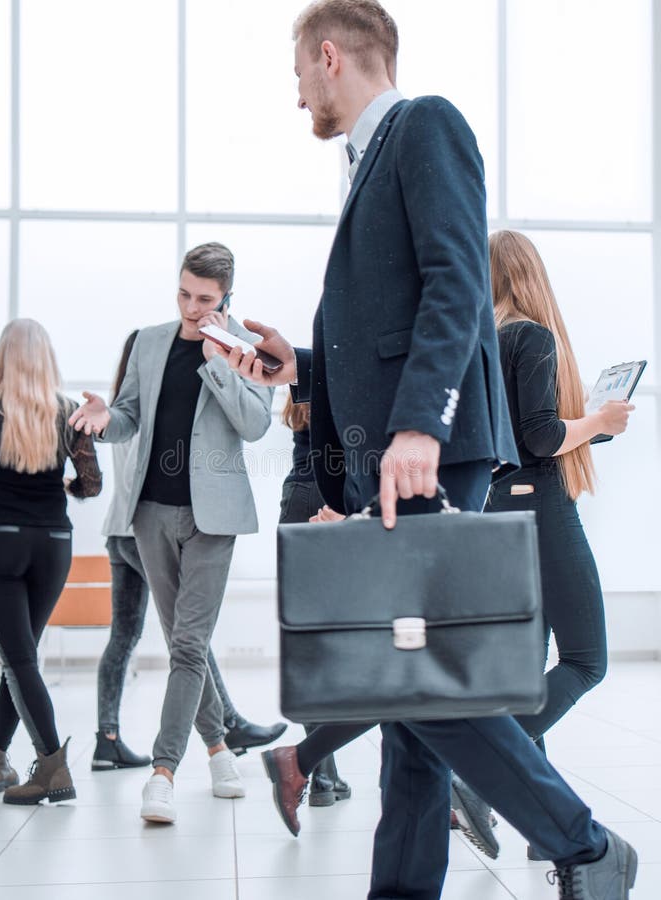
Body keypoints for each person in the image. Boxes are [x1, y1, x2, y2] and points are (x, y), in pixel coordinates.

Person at [215, 2, 638, 897]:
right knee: (412, 700)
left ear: (329, 56)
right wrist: (301, 368)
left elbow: (457, 278)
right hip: (401, 451)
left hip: (425, 453)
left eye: (299, 75)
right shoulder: (370, 164)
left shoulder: (425, 126)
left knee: (423, 688)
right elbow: (386, 329)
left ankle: (586, 845)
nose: (298, 97)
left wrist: (420, 425)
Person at [69, 242, 274, 825]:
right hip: (151, 514)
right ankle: (219, 752)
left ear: (226, 298)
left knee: (186, 646)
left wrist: (218, 358)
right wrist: (106, 419)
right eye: (184, 293)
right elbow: (130, 416)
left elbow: (256, 425)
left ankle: (162, 774)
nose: (190, 306)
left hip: (216, 518)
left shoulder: (246, 349)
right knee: (187, 644)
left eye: (204, 298)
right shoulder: (150, 341)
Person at [471, 229, 632, 858]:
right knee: (586, 660)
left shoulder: (482, 341)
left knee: (521, 677)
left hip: (496, 511)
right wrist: (597, 421)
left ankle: (549, 826)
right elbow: (539, 439)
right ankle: (480, 769)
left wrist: (594, 427)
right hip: (540, 509)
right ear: (529, 274)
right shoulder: (532, 337)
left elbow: (515, 432)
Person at [93, 330, 286, 770]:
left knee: (135, 639)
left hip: (118, 530)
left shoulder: (124, 410)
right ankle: (218, 735)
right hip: (146, 528)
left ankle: (109, 737)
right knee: (189, 642)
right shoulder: (143, 410)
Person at [0, 318, 102, 804]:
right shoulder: (69, 412)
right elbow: (91, 484)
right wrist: (66, 486)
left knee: (19, 659)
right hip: (53, 542)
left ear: (2, 356)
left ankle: (53, 767)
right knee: (23, 659)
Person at [279, 395, 350, 807]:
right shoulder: (350, 373)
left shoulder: (303, 389)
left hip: (297, 499)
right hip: (338, 501)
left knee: (306, 647)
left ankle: (322, 776)